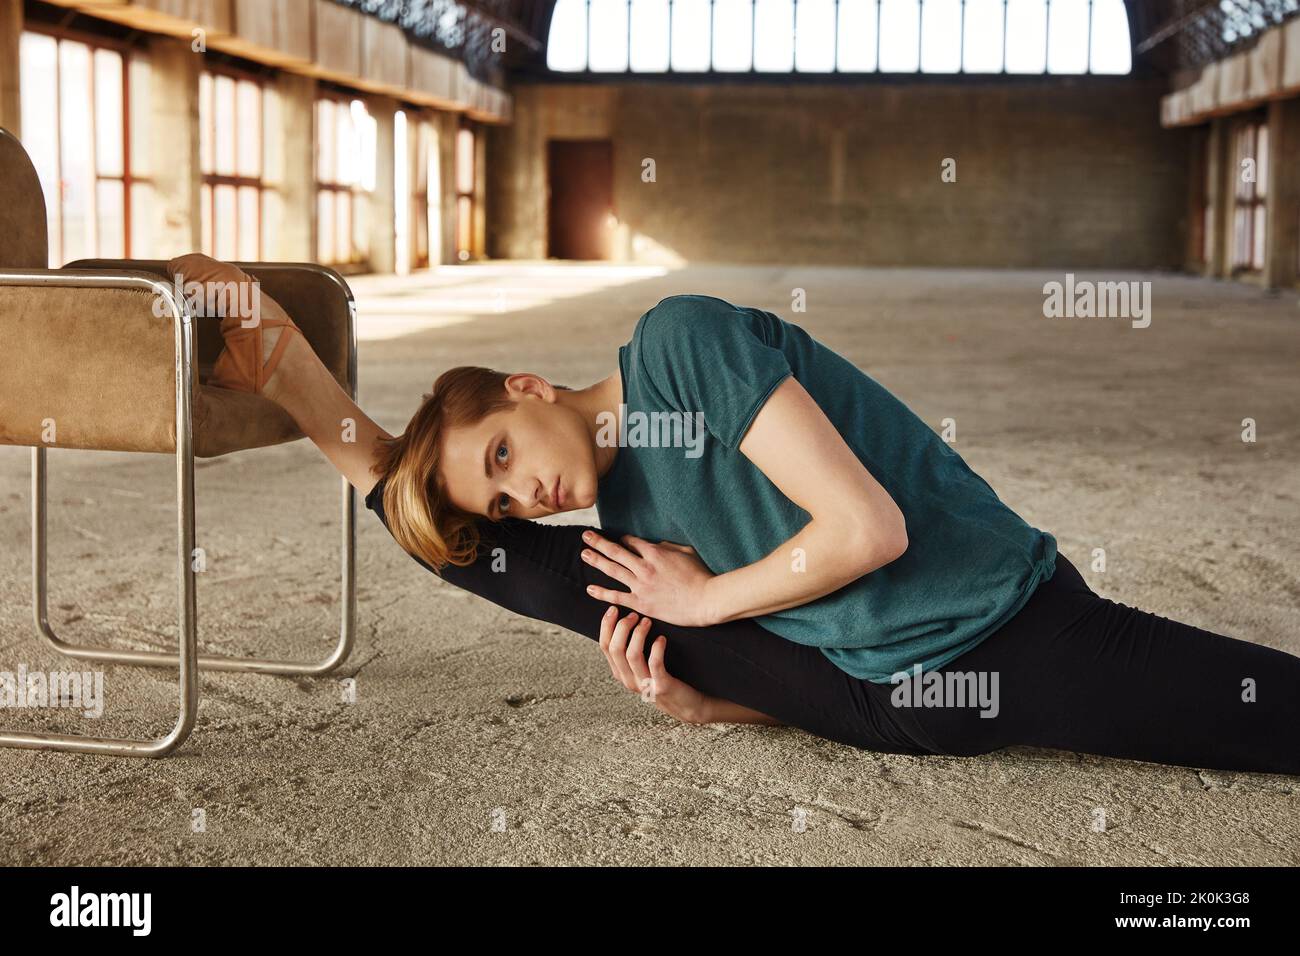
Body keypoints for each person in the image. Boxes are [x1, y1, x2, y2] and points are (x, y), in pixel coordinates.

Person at [167, 253, 1300, 776]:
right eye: (504, 495)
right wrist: (707, 704)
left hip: (998, 637)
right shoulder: (622, 520)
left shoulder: (677, 342)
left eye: (503, 454)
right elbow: (490, 544)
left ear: (527, 383)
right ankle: (300, 385)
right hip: (870, 701)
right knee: (502, 556)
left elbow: (868, 532)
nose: (527, 493)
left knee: (1257, 713)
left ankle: (292, 370)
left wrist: (703, 596)